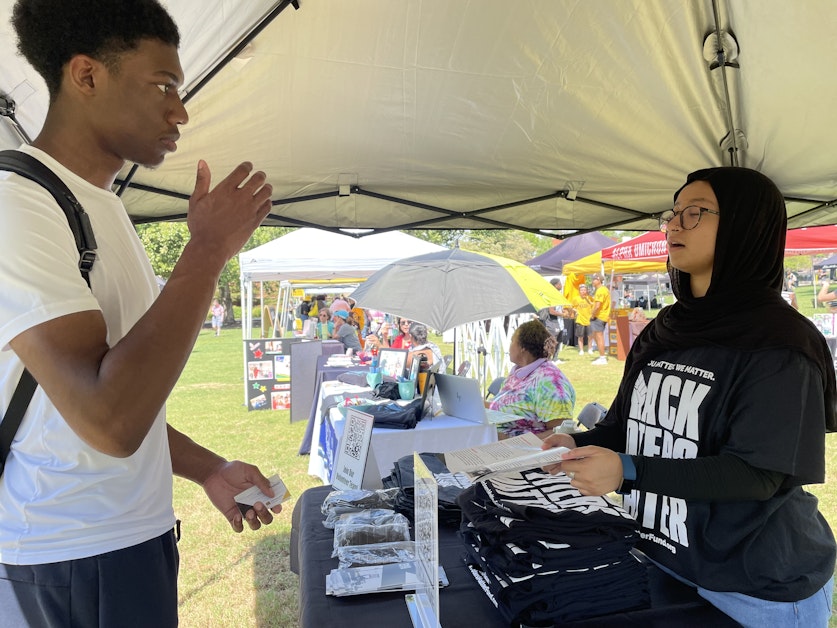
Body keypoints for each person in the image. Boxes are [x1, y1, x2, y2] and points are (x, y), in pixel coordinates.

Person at [0, 2, 282, 624]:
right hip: (66, 556)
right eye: (163, 86)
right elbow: (110, 419)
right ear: (86, 75)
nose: (179, 111)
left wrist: (209, 469)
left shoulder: (105, 209)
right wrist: (206, 252)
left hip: (132, 540)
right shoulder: (15, 203)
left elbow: (133, 388)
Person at [542, 167, 836, 626]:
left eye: (695, 212)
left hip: (756, 586)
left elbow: (757, 473)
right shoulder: (666, 328)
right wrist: (576, 443)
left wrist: (628, 470)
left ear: (745, 226)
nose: (674, 225)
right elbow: (624, 423)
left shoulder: (780, 344)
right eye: (674, 213)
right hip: (663, 557)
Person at [489, 320, 576, 439]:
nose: (509, 347)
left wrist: (515, 443)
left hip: (521, 452)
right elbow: (500, 405)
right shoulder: (521, 372)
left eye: (512, 342)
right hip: (498, 442)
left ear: (522, 348)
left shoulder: (550, 382)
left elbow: (561, 432)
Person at [589, 274, 611, 364]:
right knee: (597, 336)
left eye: (594, 279)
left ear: (599, 280)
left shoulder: (601, 290)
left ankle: (602, 358)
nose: (592, 281)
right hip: (603, 316)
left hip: (599, 316)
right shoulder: (603, 289)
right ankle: (601, 356)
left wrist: (593, 315)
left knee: (599, 337)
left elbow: (598, 305)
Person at [571, 284, 594, 356]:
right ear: (579, 291)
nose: (583, 291)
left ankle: (590, 349)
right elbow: (571, 307)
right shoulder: (576, 298)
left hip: (589, 320)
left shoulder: (590, 298)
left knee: (590, 336)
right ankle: (581, 350)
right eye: (581, 290)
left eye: (584, 290)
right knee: (580, 336)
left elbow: (594, 305)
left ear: (587, 290)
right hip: (580, 320)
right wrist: (576, 311)